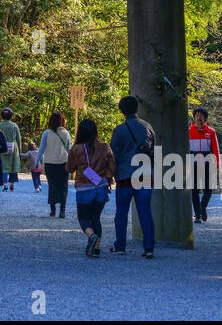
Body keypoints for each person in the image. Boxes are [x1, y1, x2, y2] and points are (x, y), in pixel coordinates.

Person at [109, 95, 156, 258]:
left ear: (122, 111)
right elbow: (154, 152)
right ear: (137, 108)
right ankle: (149, 247)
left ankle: (120, 245)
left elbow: (113, 154)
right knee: (145, 212)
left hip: (125, 176)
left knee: (121, 212)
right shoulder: (147, 127)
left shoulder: (120, 130)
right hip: (145, 175)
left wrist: (111, 175)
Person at [67, 118, 116, 257]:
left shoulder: (77, 149)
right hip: (101, 186)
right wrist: (105, 179)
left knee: (83, 218)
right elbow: (112, 168)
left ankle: (91, 236)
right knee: (96, 218)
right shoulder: (105, 147)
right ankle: (95, 249)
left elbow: (69, 168)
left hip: (84, 187)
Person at [36, 111, 72, 218]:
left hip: (50, 163)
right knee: (63, 186)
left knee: (52, 186)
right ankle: (62, 210)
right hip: (63, 162)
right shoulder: (66, 133)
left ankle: (52, 210)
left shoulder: (46, 133)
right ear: (62, 121)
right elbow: (68, 149)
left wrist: (37, 161)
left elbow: (42, 148)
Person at [188, 106, 220, 223]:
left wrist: (217, 166)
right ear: (194, 117)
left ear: (205, 118)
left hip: (208, 161)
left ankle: (203, 207)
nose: (199, 118)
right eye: (197, 116)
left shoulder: (211, 131)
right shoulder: (189, 131)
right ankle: (197, 215)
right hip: (193, 161)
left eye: (201, 116)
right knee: (194, 190)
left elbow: (216, 150)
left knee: (208, 189)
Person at [0, 107, 21, 191]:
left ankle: (5, 185)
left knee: (4, 166)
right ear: (11, 116)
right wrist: (19, 151)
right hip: (13, 147)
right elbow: (18, 139)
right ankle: (12, 184)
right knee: (12, 166)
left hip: (2, 147)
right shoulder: (14, 125)